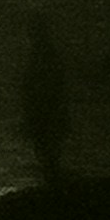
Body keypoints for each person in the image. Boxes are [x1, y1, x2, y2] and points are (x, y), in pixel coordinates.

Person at [20, 18, 71, 191]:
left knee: (45, 149)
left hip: (43, 108)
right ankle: (54, 184)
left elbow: (35, 84)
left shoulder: (40, 55)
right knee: (50, 149)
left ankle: (53, 185)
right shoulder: (49, 54)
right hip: (49, 107)